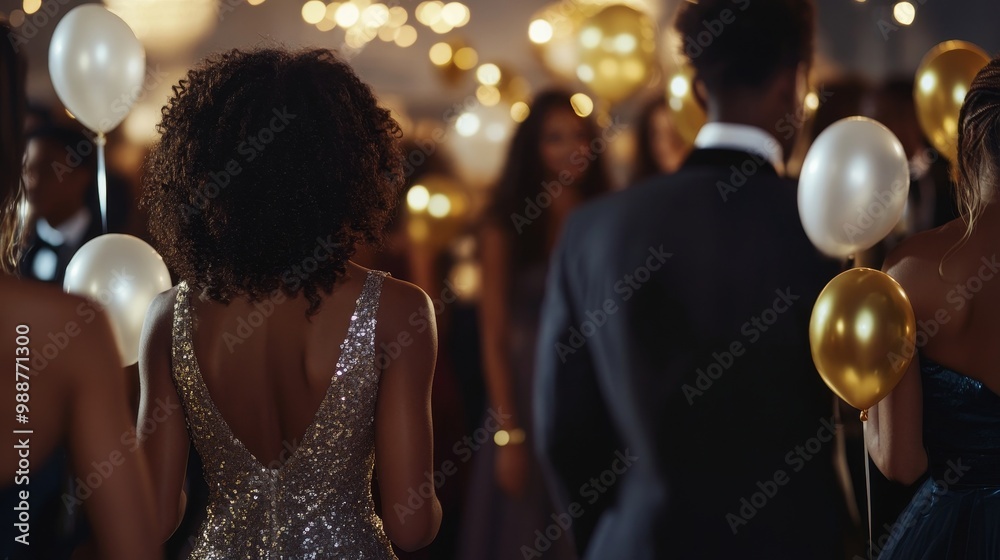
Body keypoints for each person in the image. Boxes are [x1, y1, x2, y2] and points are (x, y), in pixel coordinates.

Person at [533, 1, 846, 558]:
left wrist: (610, 537)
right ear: (793, 83)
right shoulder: (826, 229)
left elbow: (563, 428)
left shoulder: (592, 229)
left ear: (699, 89)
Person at [139, 47, 441, 558]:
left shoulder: (169, 315)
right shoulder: (397, 310)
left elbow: (152, 516)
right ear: (346, 169)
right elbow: (410, 527)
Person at [0, 19, 157, 560]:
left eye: (41, 170)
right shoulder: (57, 317)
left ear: (75, 174)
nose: (32, 184)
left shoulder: (124, 249)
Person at [459, 90, 610, 560]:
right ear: (532, 147)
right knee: (527, 528)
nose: (572, 148)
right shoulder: (504, 223)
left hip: (596, 381)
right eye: (555, 138)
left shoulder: (605, 212)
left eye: (580, 136)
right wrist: (509, 435)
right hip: (525, 389)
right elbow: (494, 336)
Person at [867, 58, 1000, 560]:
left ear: (966, 146)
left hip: (947, 531)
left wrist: (866, 409)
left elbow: (901, 463)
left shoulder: (911, 269)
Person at [630, 96, 689, 184]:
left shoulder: (711, 185)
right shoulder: (640, 194)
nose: (670, 142)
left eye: (675, 131)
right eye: (659, 135)